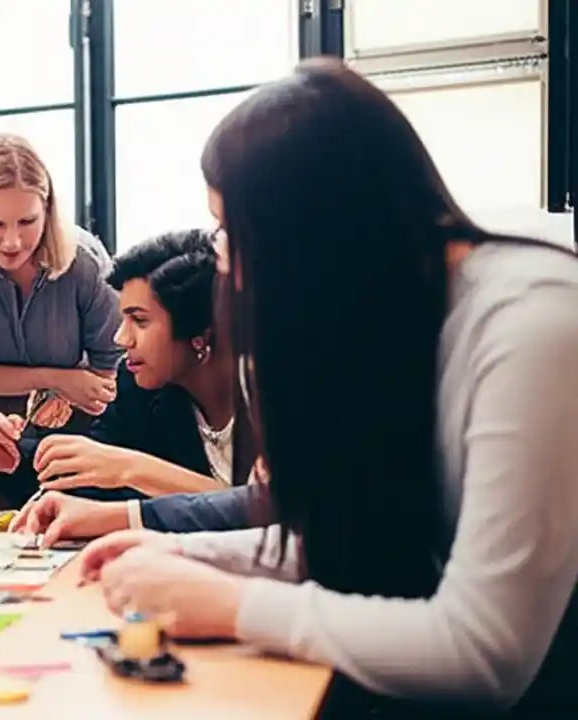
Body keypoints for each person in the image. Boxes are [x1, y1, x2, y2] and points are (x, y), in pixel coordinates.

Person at [81, 59, 577, 713]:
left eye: (230, 232)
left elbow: (488, 653)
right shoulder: (395, 308)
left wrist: (231, 604)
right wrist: (184, 554)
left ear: (313, 236)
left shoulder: (533, 325)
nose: (221, 259)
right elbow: (360, 539)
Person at [5, 230, 262, 541]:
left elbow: (273, 512)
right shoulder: (137, 384)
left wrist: (132, 469)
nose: (121, 338)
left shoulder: (271, 390)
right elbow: (92, 474)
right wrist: (10, 448)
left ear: (200, 334)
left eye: (139, 321)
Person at [0, 133, 122, 506]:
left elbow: (110, 369)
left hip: (86, 442)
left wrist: (65, 393)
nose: (12, 241)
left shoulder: (84, 260)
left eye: (27, 221)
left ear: (48, 208)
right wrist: (54, 379)